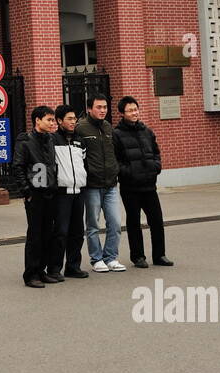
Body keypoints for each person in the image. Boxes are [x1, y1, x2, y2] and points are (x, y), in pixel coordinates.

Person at [112, 96, 174, 267]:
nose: (134, 113)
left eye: (136, 109)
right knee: (134, 222)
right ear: (122, 113)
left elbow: (156, 152)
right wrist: (128, 172)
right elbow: (116, 160)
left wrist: (156, 166)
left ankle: (159, 255)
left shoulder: (147, 131)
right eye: (130, 110)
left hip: (149, 185)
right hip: (130, 186)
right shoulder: (116, 134)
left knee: (156, 220)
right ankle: (138, 256)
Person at [12, 106, 61, 288]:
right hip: (35, 195)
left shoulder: (50, 140)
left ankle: (42, 270)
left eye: (53, 120)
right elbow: (17, 167)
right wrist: (26, 192)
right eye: (49, 120)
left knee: (48, 234)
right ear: (37, 120)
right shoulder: (25, 141)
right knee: (35, 235)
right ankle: (31, 274)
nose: (52, 123)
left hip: (50, 192)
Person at [76, 93, 125, 272]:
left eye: (105, 107)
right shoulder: (80, 128)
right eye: (99, 107)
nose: (103, 110)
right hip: (92, 186)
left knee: (115, 223)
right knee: (93, 225)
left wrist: (116, 170)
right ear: (90, 108)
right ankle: (96, 259)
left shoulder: (107, 127)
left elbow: (114, 152)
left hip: (111, 184)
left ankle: (111, 257)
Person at [49, 105, 89, 279]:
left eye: (75, 119)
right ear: (59, 121)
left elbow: (84, 164)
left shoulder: (80, 141)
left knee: (77, 232)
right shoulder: (52, 140)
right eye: (69, 119)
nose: (74, 122)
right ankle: (54, 269)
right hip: (61, 193)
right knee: (60, 232)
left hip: (78, 191)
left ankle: (73, 266)